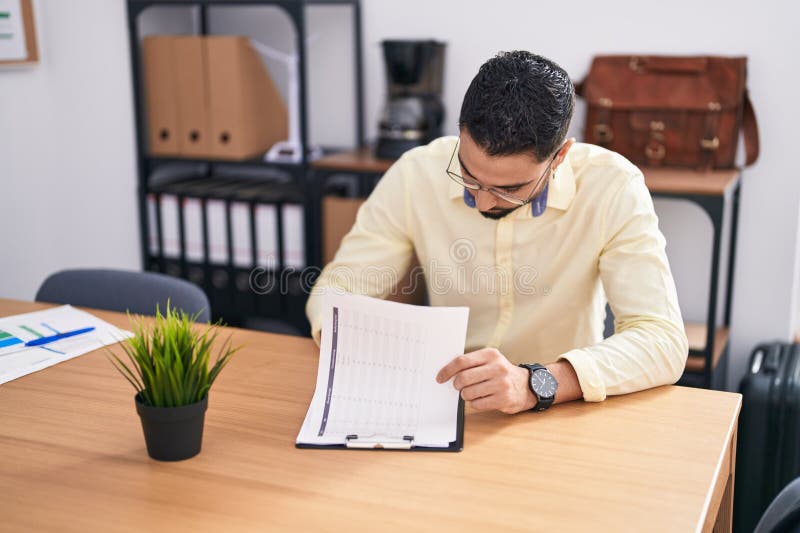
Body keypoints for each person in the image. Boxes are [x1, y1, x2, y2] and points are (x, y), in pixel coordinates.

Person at [306, 50, 688, 414]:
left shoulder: (612, 186)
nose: (483, 202)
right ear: (460, 133)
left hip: (559, 406)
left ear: (560, 156)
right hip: (445, 399)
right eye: (469, 176)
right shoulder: (416, 173)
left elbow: (662, 340)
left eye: (510, 189)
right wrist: (345, 333)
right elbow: (339, 288)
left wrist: (536, 382)